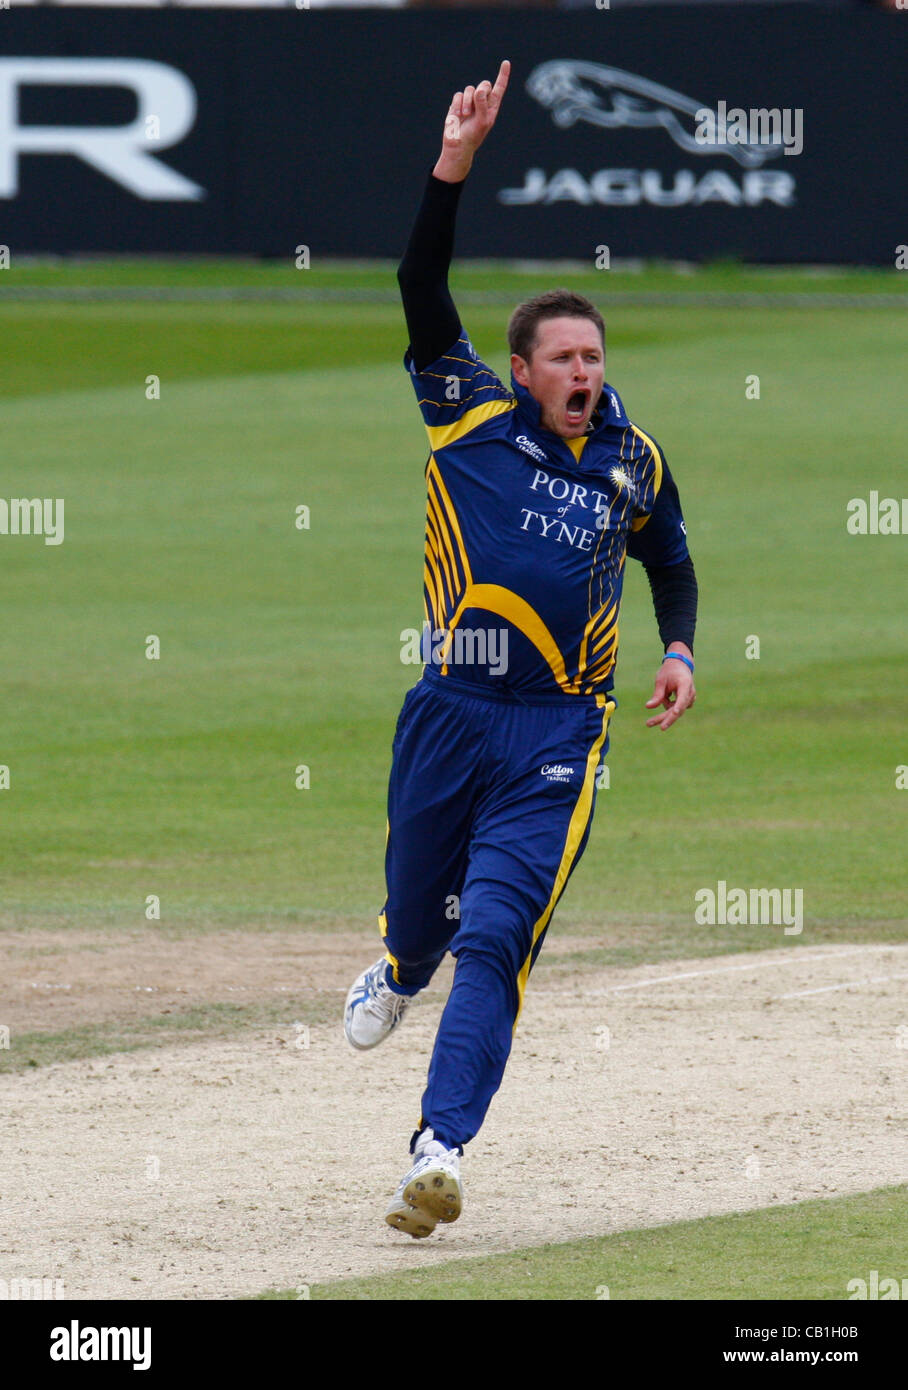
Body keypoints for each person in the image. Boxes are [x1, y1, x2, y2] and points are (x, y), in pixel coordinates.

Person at [344, 59, 698, 1238]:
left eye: (594, 359)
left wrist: (681, 649)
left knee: (496, 936)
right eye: (563, 359)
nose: (584, 375)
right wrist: (454, 164)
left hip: (559, 731)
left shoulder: (629, 460)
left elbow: (670, 557)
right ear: (523, 367)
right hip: (449, 710)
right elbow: (416, 278)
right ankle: (396, 966)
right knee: (419, 919)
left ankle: (434, 1150)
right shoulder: (466, 413)